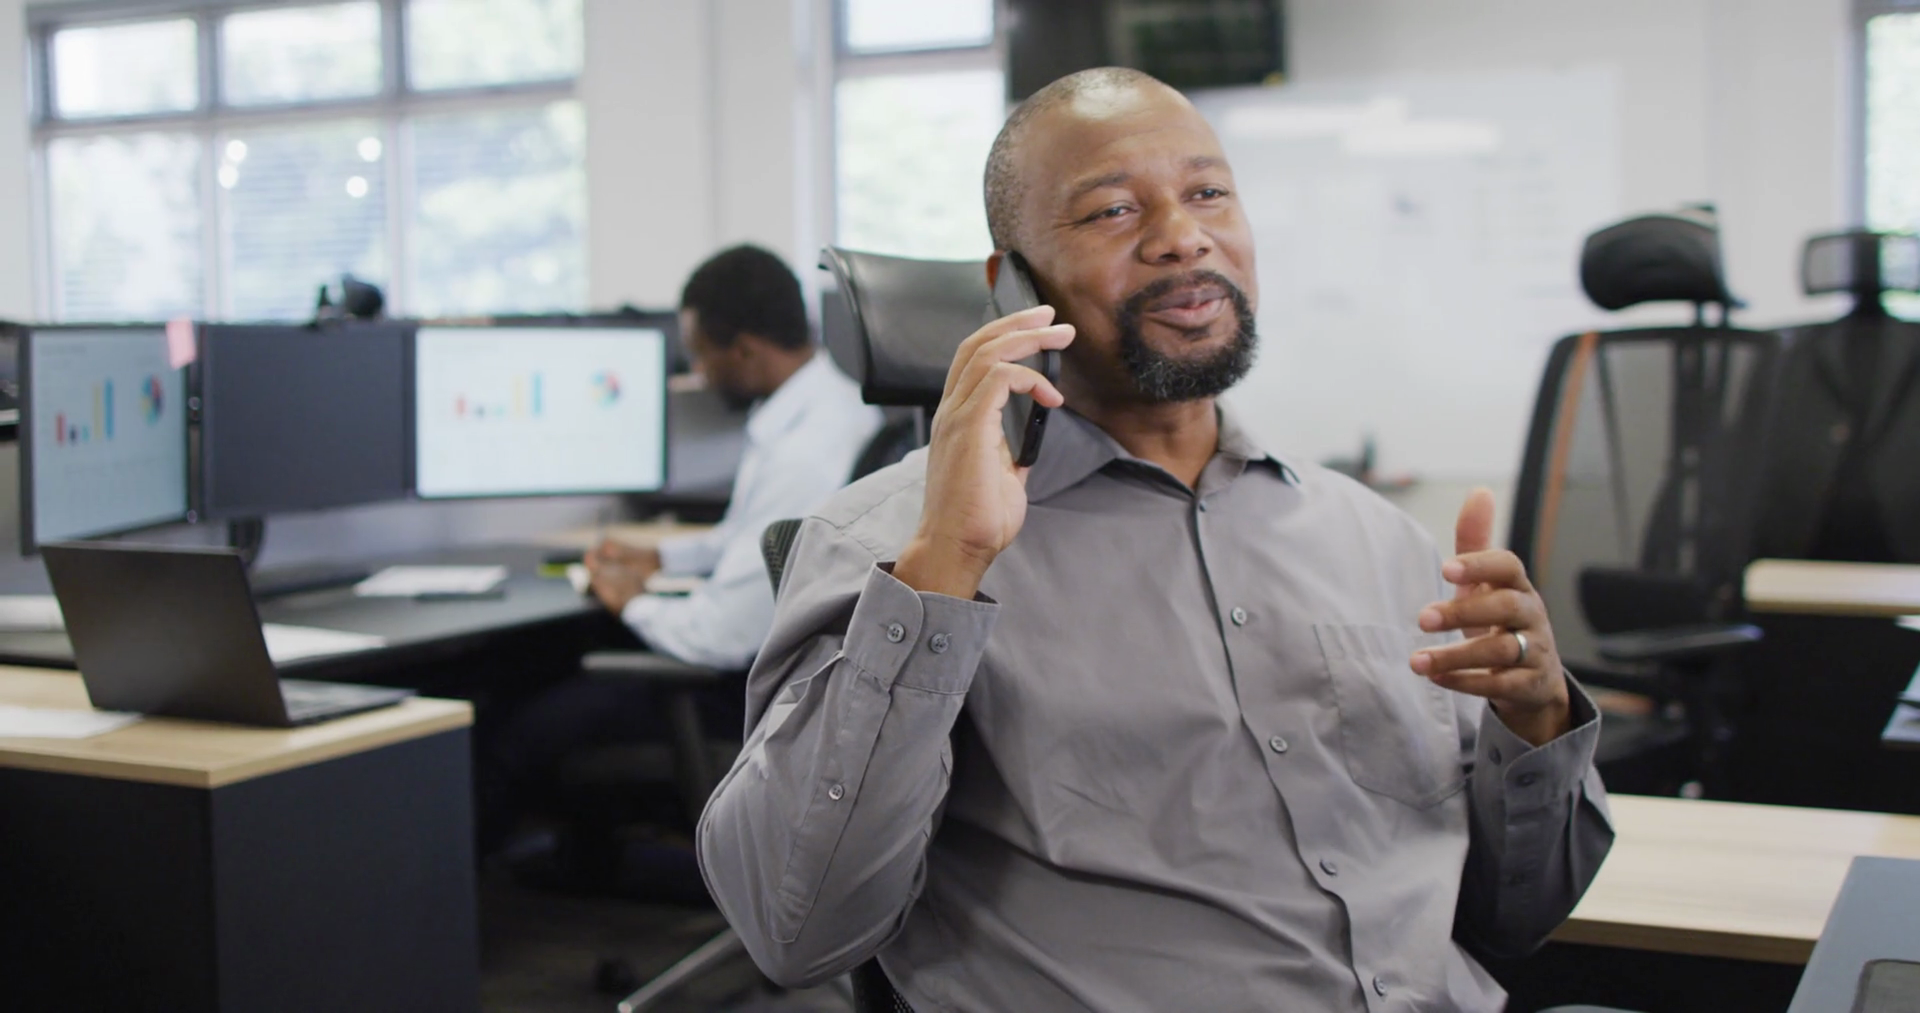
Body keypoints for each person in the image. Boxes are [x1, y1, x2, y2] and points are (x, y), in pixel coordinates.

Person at [698, 69, 1612, 1011]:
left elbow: (1516, 917)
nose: (1183, 234)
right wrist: (944, 571)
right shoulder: (887, 544)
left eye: (1209, 192)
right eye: (1111, 211)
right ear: (1010, 281)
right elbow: (793, 928)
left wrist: (1535, 722)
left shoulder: (1379, 542)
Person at [478, 244, 882, 860]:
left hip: (735, 702)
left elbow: (720, 637)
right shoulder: (830, 409)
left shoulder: (801, 455)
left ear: (744, 350)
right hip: (803, 688)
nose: (697, 371)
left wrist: (633, 601)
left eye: (700, 353)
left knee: (512, 726)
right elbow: (752, 538)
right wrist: (662, 563)